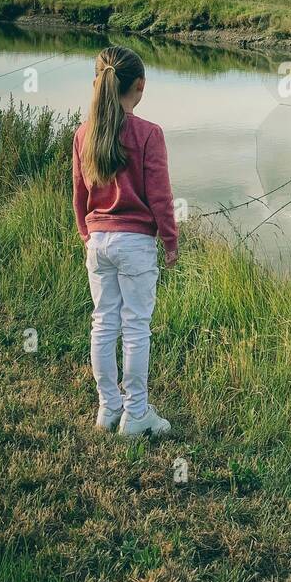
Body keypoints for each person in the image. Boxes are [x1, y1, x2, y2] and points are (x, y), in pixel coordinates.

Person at [72, 45, 177, 437]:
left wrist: (87, 234)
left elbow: (79, 194)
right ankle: (135, 415)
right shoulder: (149, 134)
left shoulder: (84, 133)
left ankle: (107, 410)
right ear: (140, 86)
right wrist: (170, 242)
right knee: (136, 328)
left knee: (103, 323)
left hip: (98, 242)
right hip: (134, 245)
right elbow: (161, 197)